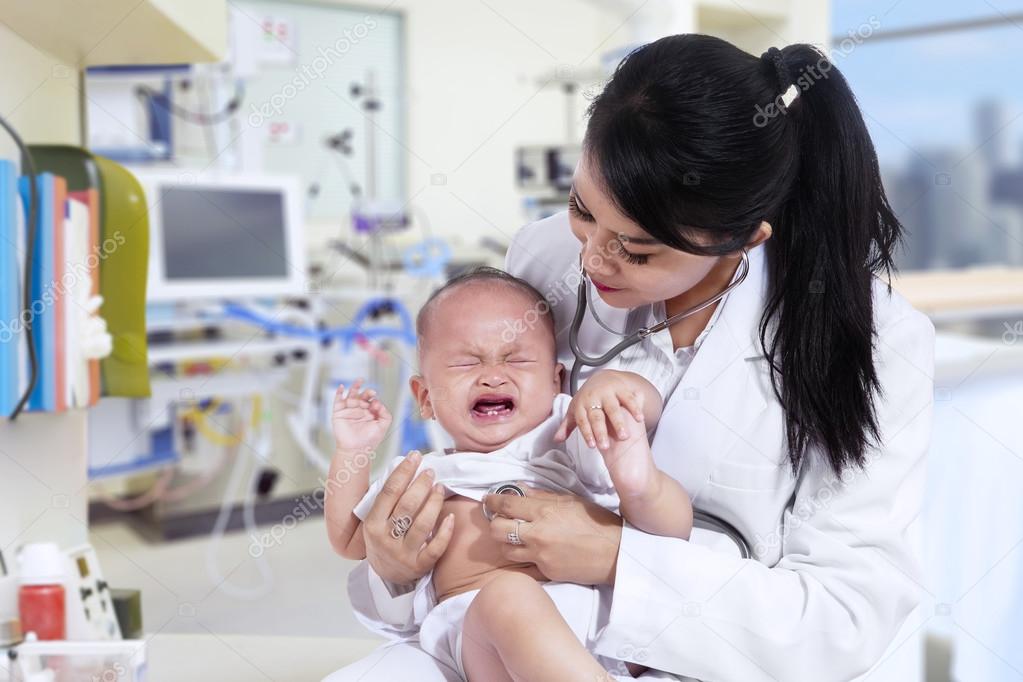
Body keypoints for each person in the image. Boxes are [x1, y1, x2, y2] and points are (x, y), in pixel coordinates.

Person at [326, 34, 935, 682]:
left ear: (744, 237)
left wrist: (618, 558)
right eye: (582, 210)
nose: (591, 259)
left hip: (714, 660)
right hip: (500, 638)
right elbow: (479, 460)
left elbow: (840, 621)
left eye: (637, 251)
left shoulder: (872, 338)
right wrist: (393, 569)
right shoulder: (545, 258)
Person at [326, 267, 692, 680]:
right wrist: (352, 452)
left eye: (517, 358)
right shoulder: (420, 474)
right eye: (465, 363)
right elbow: (349, 539)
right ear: (425, 397)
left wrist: (616, 387)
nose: (493, 374)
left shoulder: (565, 436)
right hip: (473, 637)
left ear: (557, 382)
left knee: (656, 512)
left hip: (588, 621)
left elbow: (672, 531)